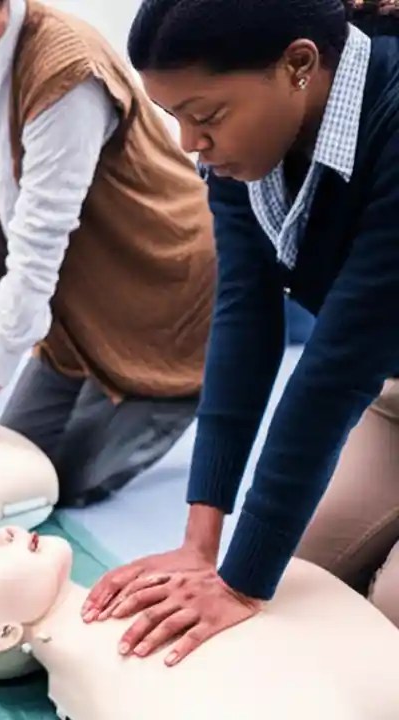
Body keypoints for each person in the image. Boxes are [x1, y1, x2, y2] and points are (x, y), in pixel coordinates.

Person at [84, 0, 399, 668]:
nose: (188, 143)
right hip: (393, 395)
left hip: (366, 367)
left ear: (298, 66)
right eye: (174, 117)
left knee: (387, 608)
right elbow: (244, 320)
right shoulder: (245, 150)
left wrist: (239, 580)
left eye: (206, 116)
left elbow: (337, 367)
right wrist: (203, 545)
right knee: (301, 576)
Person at [0, 0, 216, 508]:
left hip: (162, 283)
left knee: (65, 482)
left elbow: (36, 248)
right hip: (73, 302)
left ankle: (189, 385)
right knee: (16, 470)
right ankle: (107, 383)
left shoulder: (66, 66)